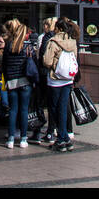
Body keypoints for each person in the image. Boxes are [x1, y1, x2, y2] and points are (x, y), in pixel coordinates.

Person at [41, 18, 80, 152]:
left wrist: (55, 65)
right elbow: (74, 57)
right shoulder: (72, 41)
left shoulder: (54, 42)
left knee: (54, 108)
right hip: (68, 79)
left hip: (55, 79)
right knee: (63, 107)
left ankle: (62, 138)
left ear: (58, 29)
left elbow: (46, 61)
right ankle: (65, 138)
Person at [0, 19, 34, 149]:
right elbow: (33, 63)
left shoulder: (9, 46)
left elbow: (4, 64)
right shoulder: (27, 46)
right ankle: (23, 138)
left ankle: (10, 138)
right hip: (25, 81)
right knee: (24, 110)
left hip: (12, 81)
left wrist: (8, 78)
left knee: (13, 110)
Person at [29, 16, 57, 145]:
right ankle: (52, 130)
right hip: (55, 75)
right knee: (52, 104)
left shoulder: (44, 37)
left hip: (43, 73)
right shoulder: (60, 38)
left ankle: (38, 129)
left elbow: (41, 57)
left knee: (39, 103)